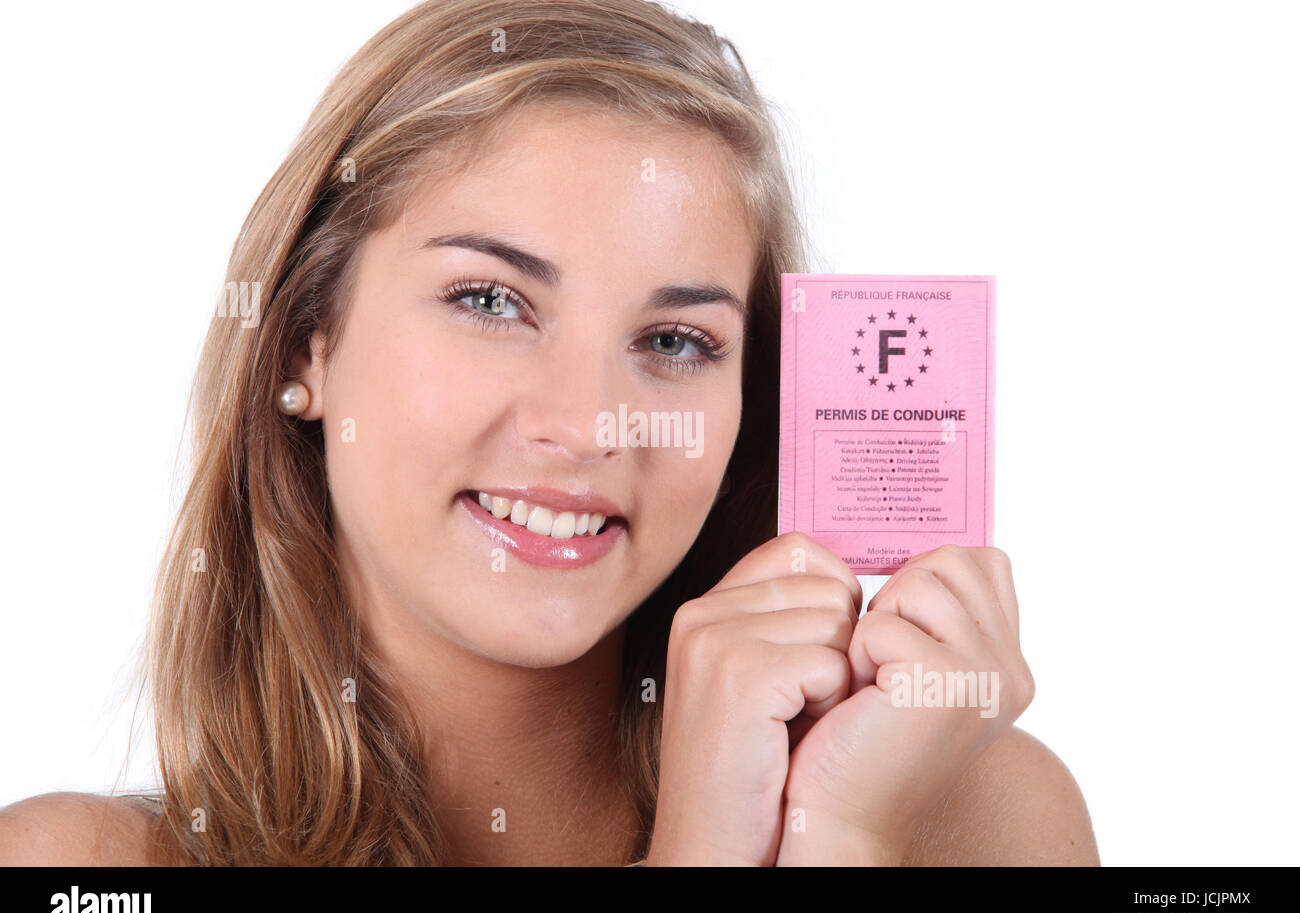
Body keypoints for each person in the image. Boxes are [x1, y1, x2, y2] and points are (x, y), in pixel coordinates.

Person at [0, 0, 1098, 866]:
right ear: (303, 344)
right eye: (489, 301)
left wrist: (837, 835)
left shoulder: (970, 815)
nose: (585, 425)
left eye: (674, 341)